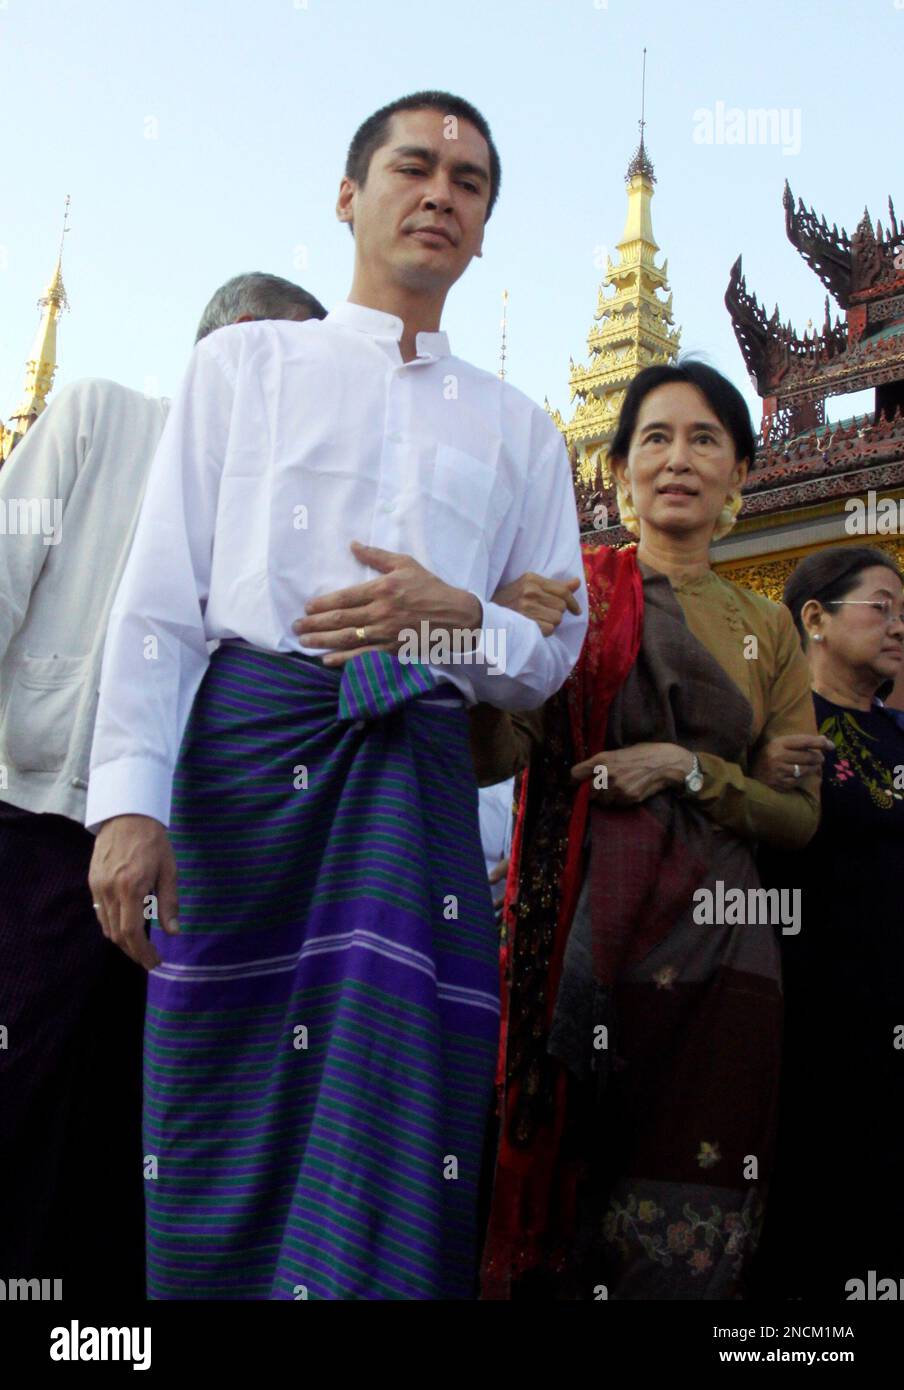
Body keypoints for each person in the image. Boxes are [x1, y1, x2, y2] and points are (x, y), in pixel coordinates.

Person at [86, 91, 587, 1301]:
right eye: (413, 168)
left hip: (408, 778)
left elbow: (548, 649)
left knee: (401, 1104)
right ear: (349, 196)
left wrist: (457, 618)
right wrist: (128, 806)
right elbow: (160, 603)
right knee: (215, 1094)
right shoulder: (243, 364)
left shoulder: (522, 432)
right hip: (247, 769)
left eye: (468, 184)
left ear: (482, 230)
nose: (439, 194)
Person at [0, 273, 326, 1299]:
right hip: (41, 823)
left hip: (191, 876)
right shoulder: (104, 418)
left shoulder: (295, 519)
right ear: (218, 351)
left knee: (129, 1139)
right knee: (16, 1100)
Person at [481, 360, 822, 1301]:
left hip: (724, 943)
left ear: (740, 475)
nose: (679, 460)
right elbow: (493, 756)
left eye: (706, 439)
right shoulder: (579, 599)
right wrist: (497, 643)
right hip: (583, 923)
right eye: (656, 440)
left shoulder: (769, 627)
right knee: (575, 1162)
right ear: (621, 469)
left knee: (700, 1184)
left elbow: (797, 816)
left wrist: (687, 767)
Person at [751, 545, 904, 1300]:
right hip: (808, 1017)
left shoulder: (902, 738)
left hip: (893, 1018)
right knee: (810, 1227)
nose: (899, 626)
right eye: (882, 606)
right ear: (814, 618)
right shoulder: (775, 737)